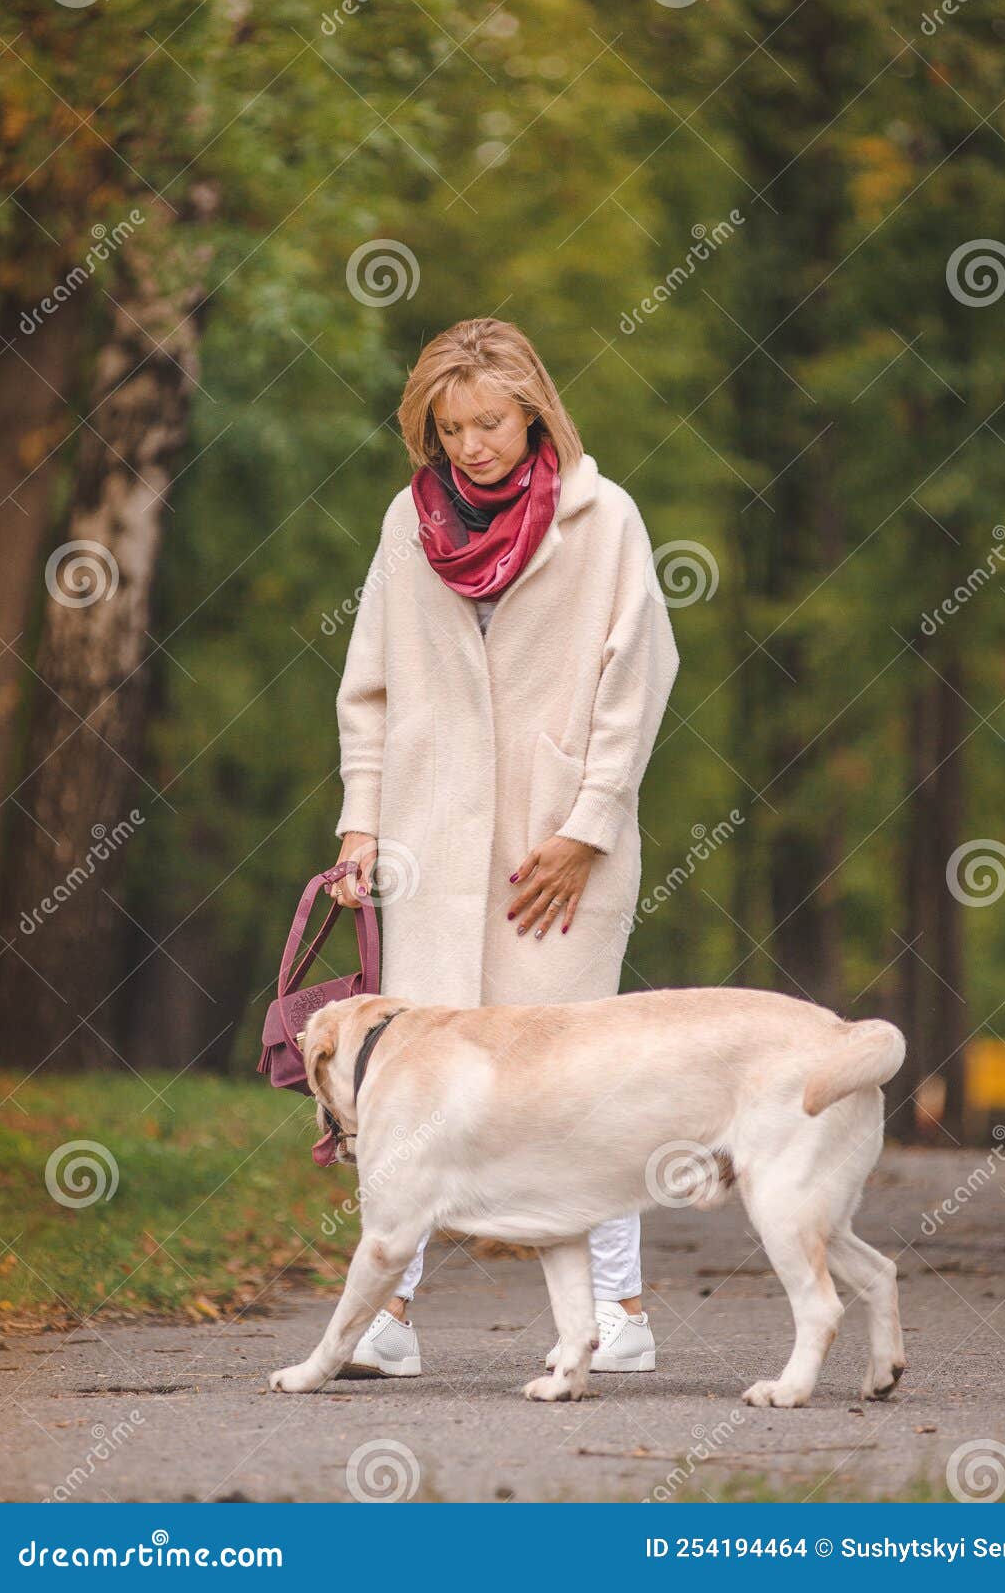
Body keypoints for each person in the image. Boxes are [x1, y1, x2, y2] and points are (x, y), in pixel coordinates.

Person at [326, 316, 680, 1378]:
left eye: (490, 421)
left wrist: (587, 828)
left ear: (533, 411)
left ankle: (620, 1311)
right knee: (415, 1082)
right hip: (429, 843)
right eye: (451, 428)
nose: (473, 445)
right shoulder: (409, 521)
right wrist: (360, 822)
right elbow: (369, 684)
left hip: (554, 850)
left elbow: (637, 681)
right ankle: (387, 1317)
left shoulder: (602, 518)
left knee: (573, 1081)